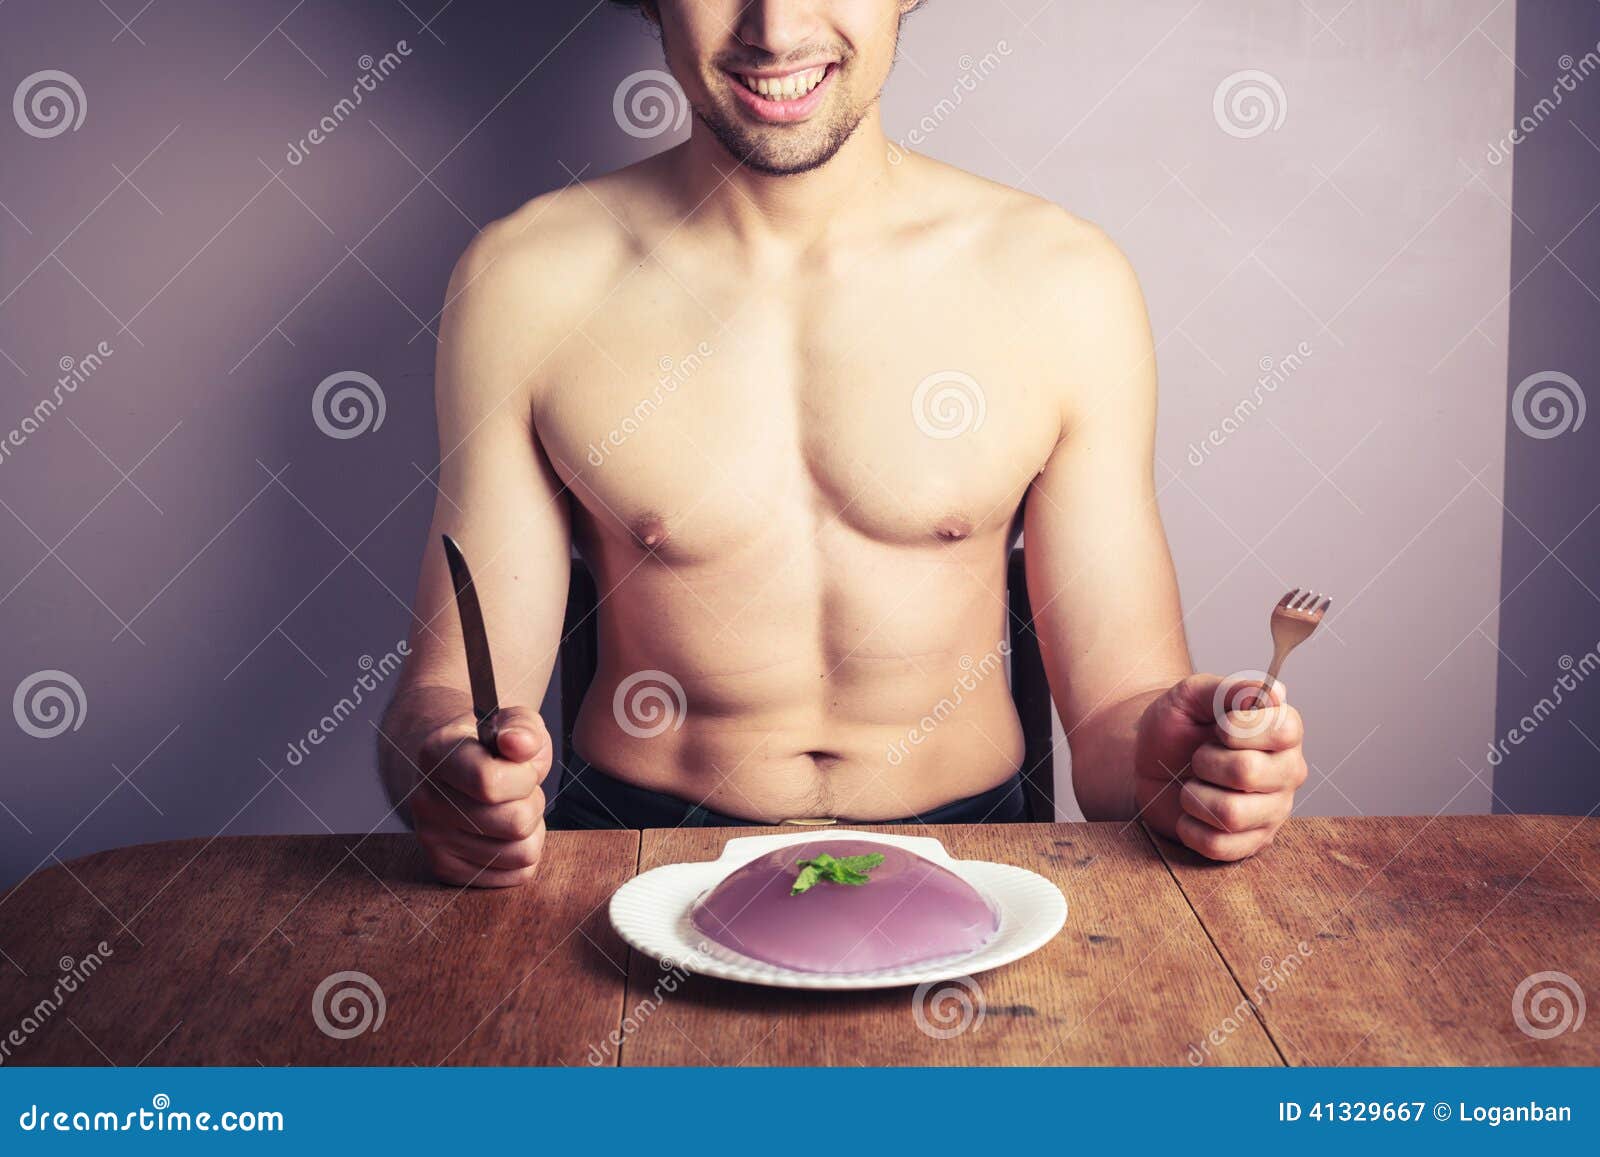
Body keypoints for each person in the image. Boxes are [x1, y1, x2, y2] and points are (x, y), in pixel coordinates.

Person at [377, 0, 1308, 887]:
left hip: (975, 859)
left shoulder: (1061, 284)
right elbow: (449, 690)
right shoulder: (527, 280)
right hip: (632, 862)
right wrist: (447, 773)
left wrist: (1172, 767)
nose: (774, 29)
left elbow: (1115, 718)